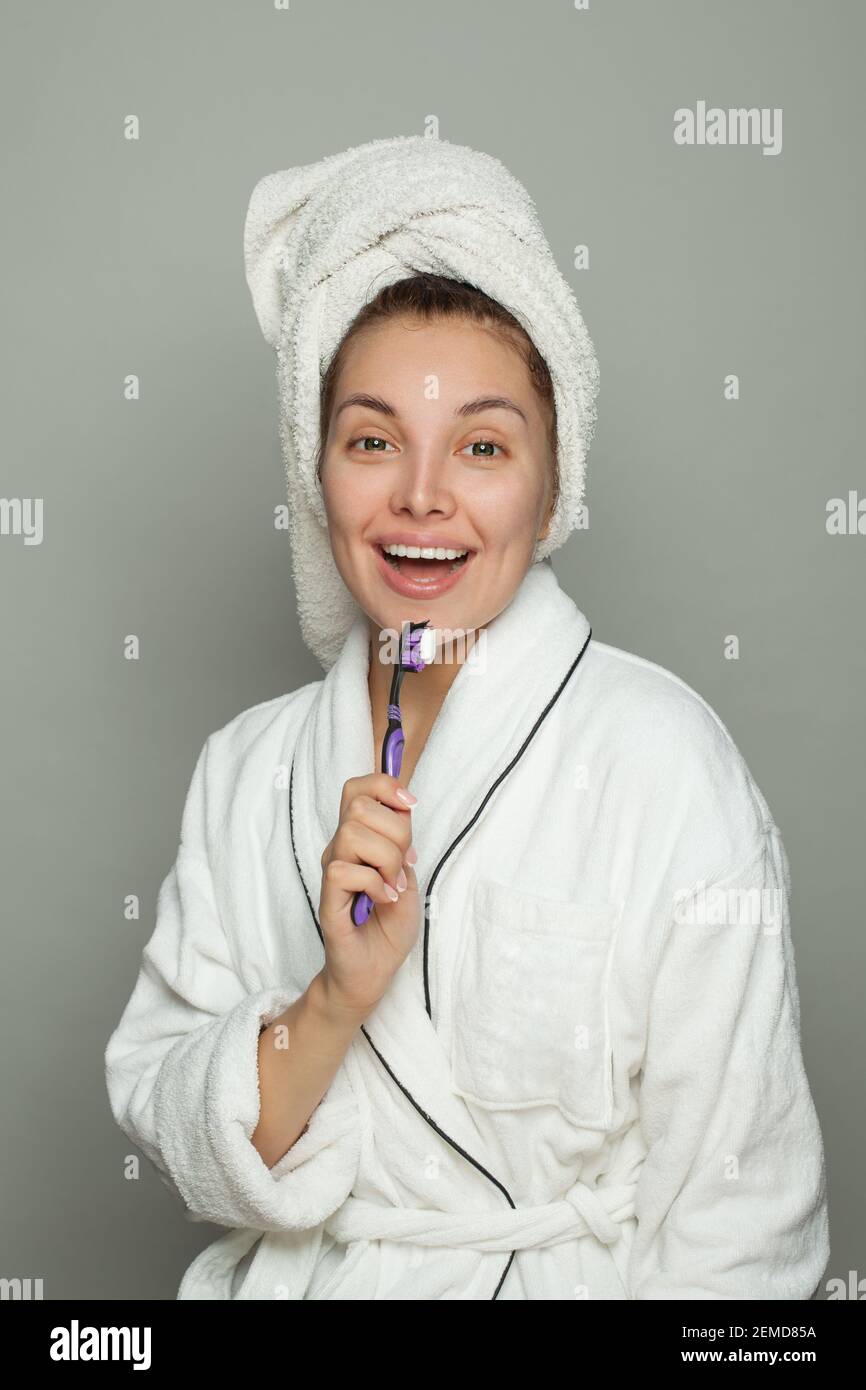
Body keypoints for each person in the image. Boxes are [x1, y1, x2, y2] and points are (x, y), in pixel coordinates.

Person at [104, 136, 829, 1300]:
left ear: (552, 484)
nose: (422, 496)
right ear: (317, 473)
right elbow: (189, 1146)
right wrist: (334, 998)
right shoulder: (246, 774)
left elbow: (739, 1222)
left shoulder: (663, 764)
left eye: (481, 445)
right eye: (372, 440)